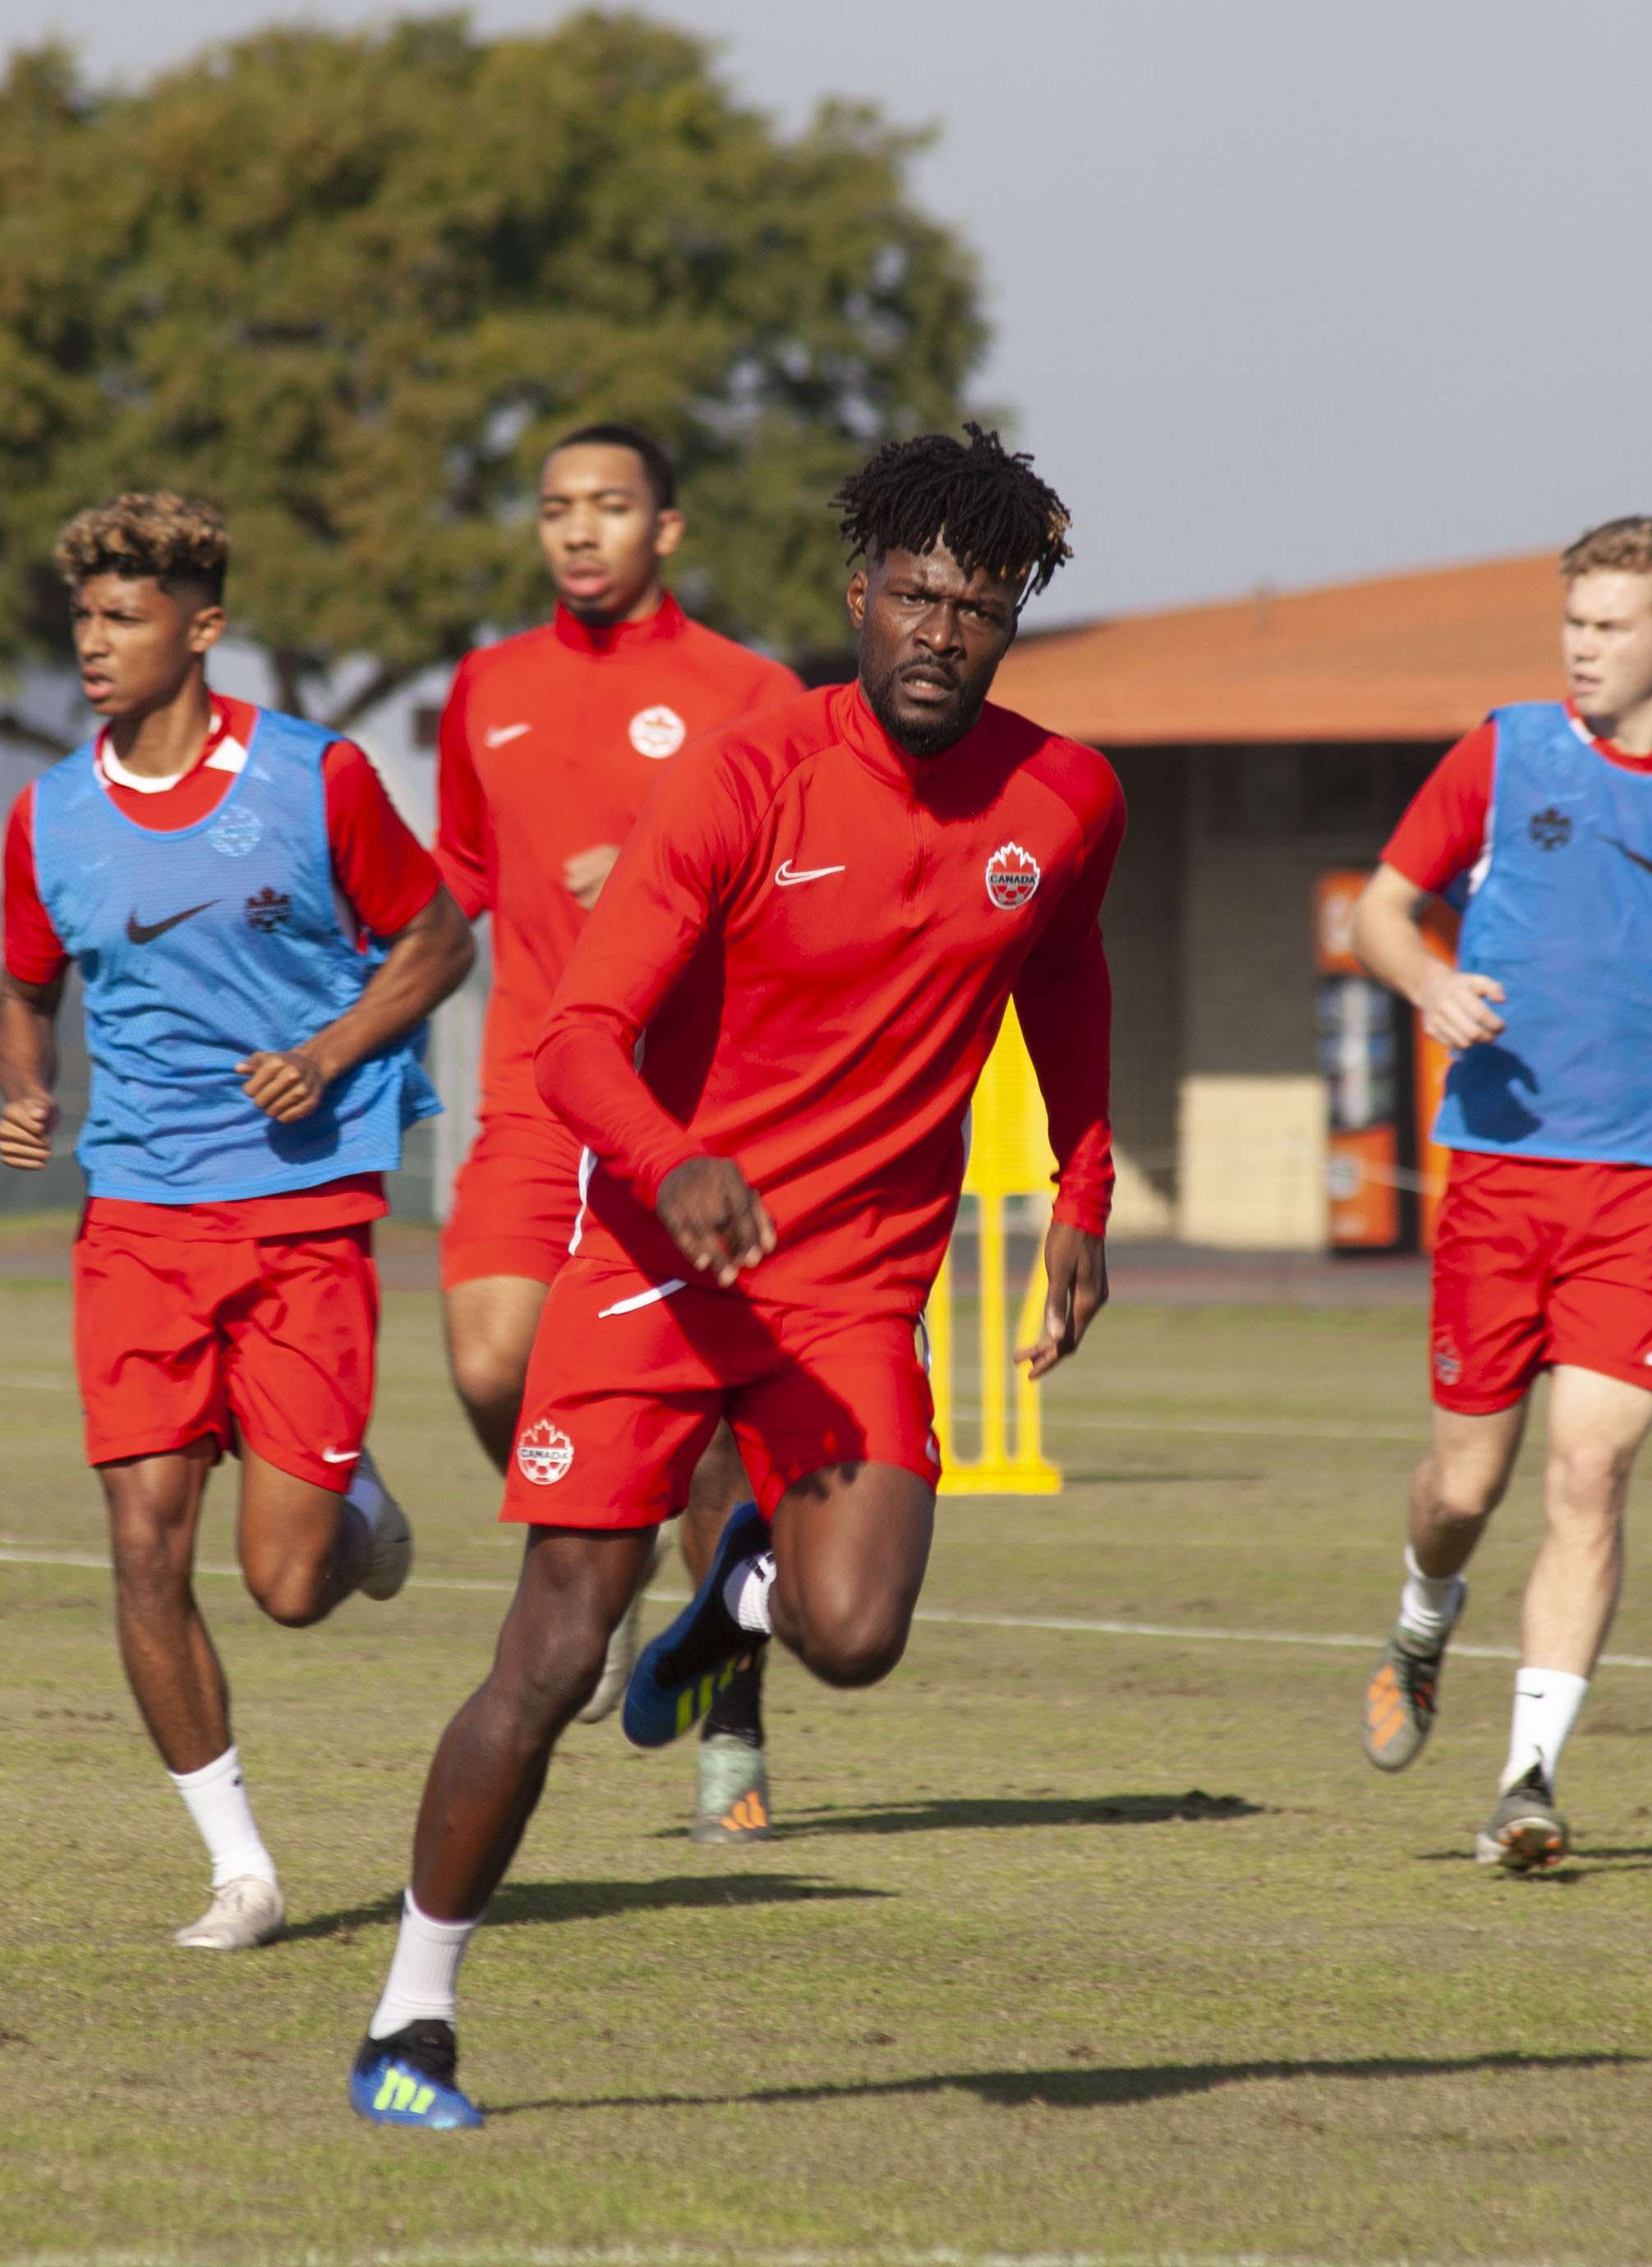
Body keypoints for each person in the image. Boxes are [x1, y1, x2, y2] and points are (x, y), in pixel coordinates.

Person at [351, 427, 1119, 2129]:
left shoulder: (1067, 801)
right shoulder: (745, 774)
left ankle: (739, 1598)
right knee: (552, 1657)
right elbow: (578, 1038)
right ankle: (412, 2016)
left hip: (850, 1291)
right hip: (656, 1265)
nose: (939, 634)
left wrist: (1083, 1183)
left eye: (976, 610)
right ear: (857, 597)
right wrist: (672, 1163)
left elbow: (1064, 979)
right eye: (914, 597)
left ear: (1011, 625)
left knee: (858, 1637)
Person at [0, 491, 476, 1949]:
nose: (93, 643)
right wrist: (25, 1089)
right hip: (137, 1218)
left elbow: (438, 939)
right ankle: (241, 1872)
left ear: (201, 628)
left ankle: (356, 1507)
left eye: (124, 617)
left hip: (303, 1212)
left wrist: (328, 1055)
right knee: (144, 1541)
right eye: (83, 617)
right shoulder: (50, 814)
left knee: (289, 1586)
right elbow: (24, 992)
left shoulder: (317, 778)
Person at [1346, 514, 1652, 1873]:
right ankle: (1424, 1615)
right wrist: (1429, 982)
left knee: (1590, 1474)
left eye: (1610, 628)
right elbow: (1381, 911)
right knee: (1464, 1485)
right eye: (1573, 623)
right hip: (1501, 1175)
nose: (1581, 648)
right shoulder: (1502, 755)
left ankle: (1528, 1782)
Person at [432, 423, 804, 1842]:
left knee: (713, 1446)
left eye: (610, 505)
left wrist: (666, 875)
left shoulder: (750, 695)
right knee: (488, 1360)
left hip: (695, 1109)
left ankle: (732, 1734)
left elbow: (801, 894)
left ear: (669, 528)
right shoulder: (489, 686)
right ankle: (605, 1536)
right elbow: (460, 878)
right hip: (538, 1095)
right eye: (555, 508)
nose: (580, 530)